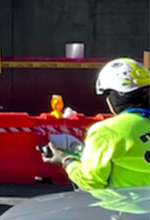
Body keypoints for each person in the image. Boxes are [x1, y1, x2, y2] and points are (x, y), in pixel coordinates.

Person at [42, 57, 150, 190]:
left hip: (126, 208)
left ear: (113, 96)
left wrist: (66, 160)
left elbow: (91, 181)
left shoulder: (106, 131)